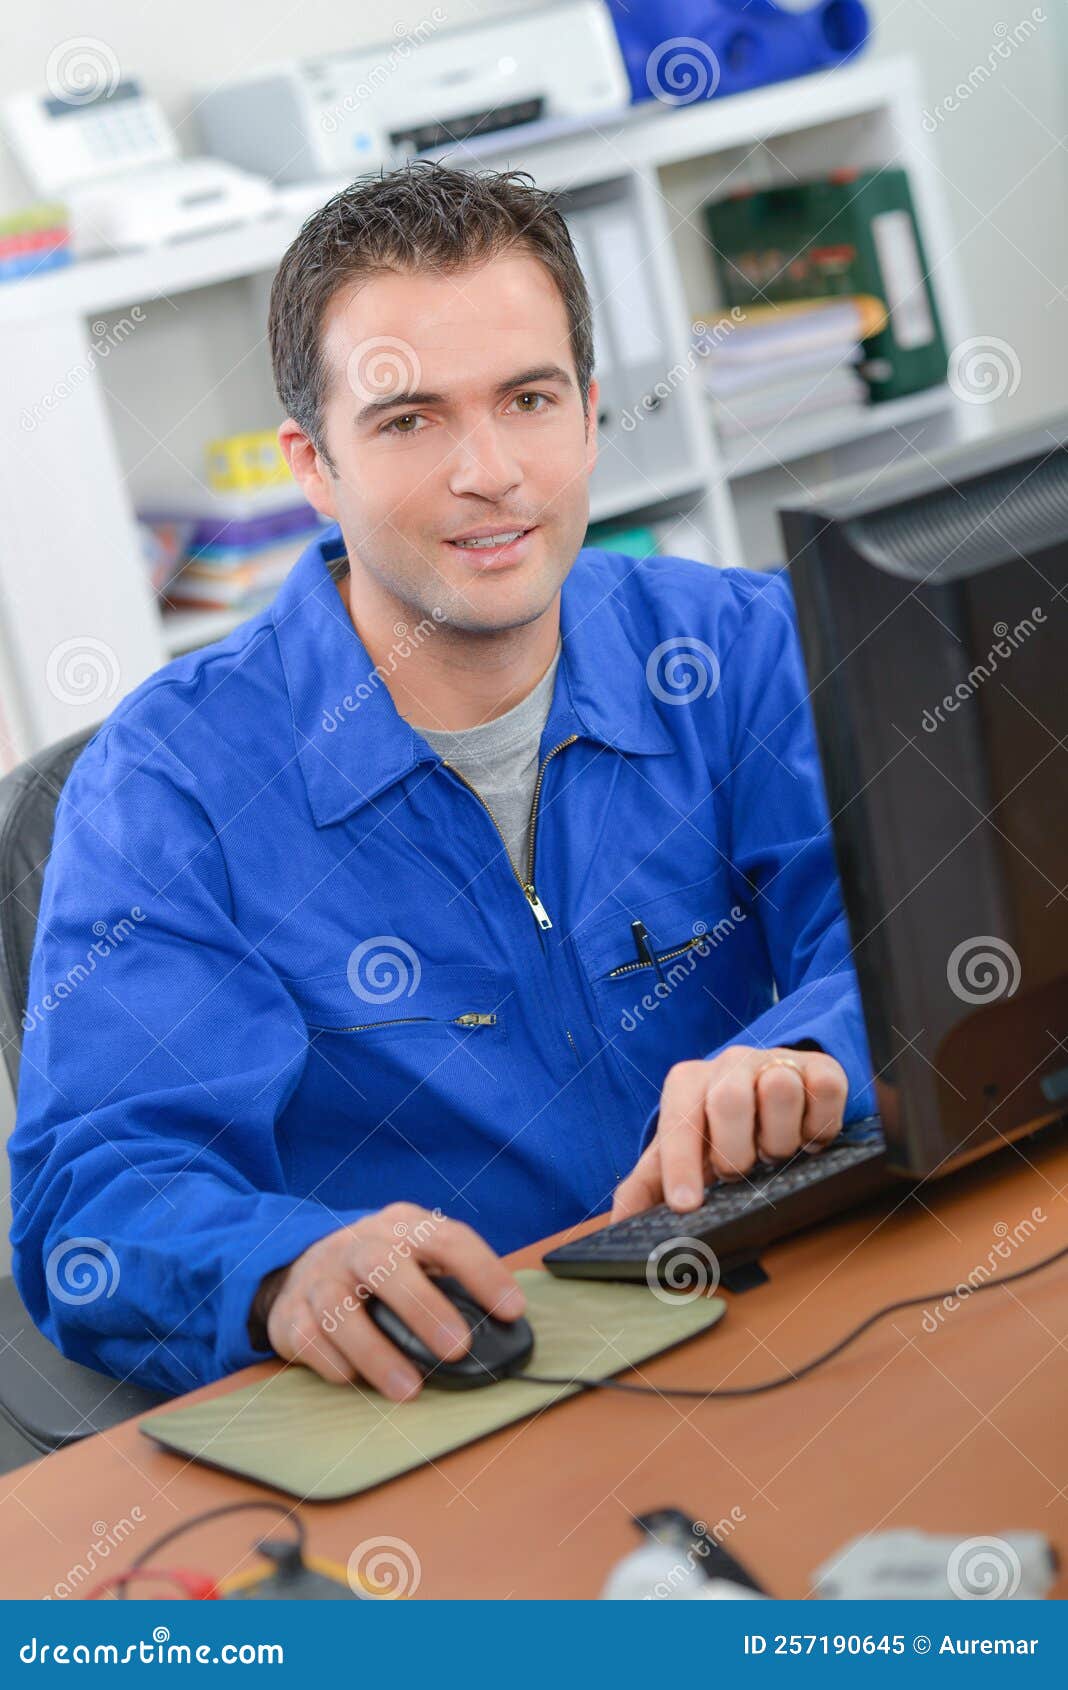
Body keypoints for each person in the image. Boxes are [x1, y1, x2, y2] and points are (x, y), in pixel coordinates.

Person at [10, 161, 875, 1402]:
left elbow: (923, 928)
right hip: (448, 1396)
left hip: (771, 1313)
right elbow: (100, 1192)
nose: (491, 470)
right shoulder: (172, 782)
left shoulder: (732, 648)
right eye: (409, 419)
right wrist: (281, 1268)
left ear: (589, 415)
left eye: (528, 399)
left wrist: (808, 1052)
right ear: (315, 465)